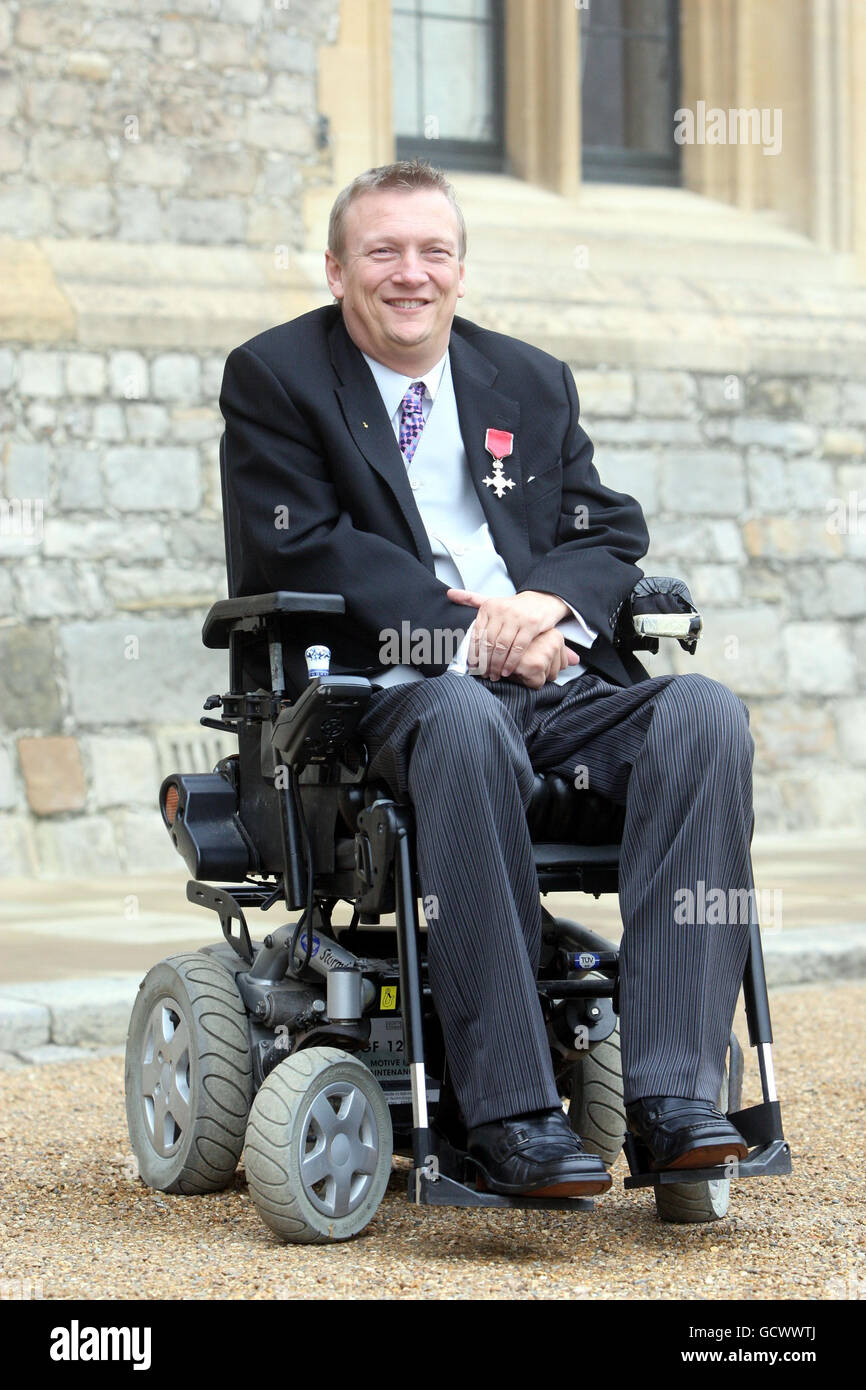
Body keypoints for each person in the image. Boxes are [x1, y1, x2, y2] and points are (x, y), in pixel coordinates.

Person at [219, 160, 753, 1198]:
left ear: (460, 269)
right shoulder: (275, 375)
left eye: (432, 251)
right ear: (337, 269)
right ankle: (508, 1115)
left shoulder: (529, 377)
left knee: (701, 713)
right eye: (382, 251)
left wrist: (545, 608)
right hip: (387, 695)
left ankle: (672, 1097)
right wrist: (465, 639)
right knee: (462, 713)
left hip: (554, 679)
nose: (409, 274)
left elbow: (606, 528)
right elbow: (299, 545)